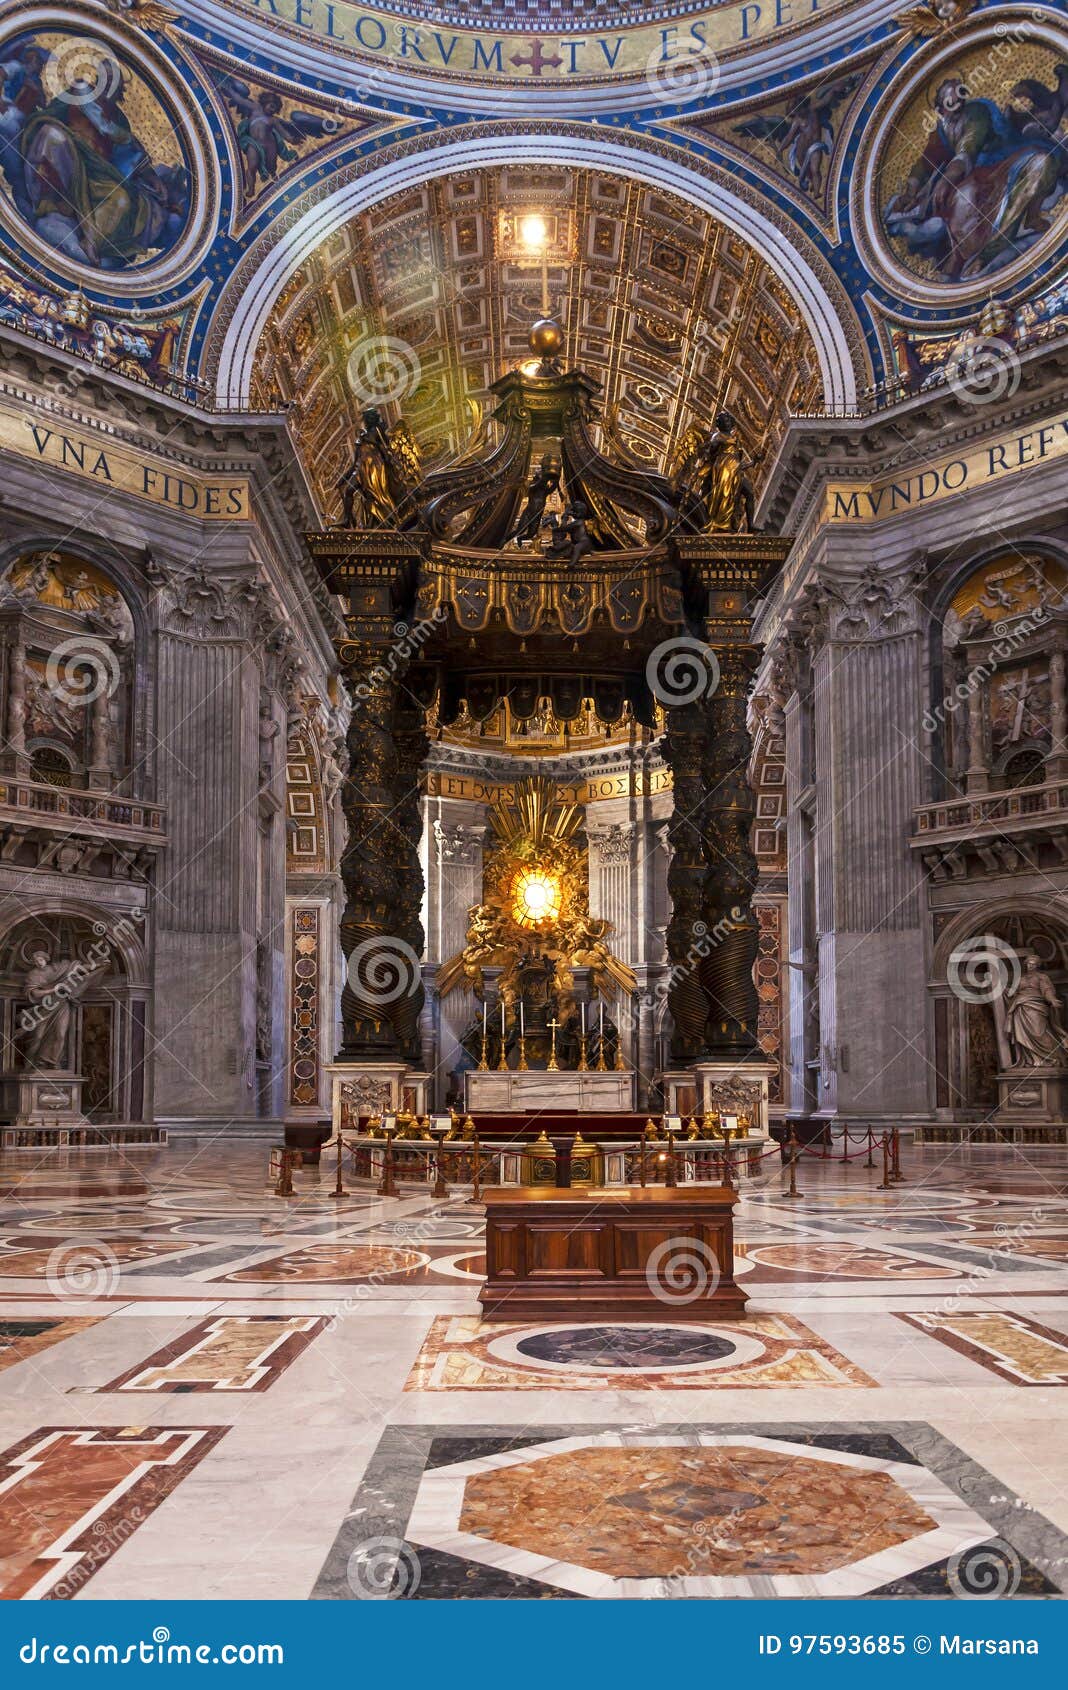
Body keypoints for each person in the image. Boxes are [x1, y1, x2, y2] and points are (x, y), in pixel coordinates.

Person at [1005, 952, 1068, 1065]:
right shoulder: (1021, 978)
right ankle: (1032, 1060)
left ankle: (1053, 1056)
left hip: (1036, 1006)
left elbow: (1047, 990)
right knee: (1023, 1034)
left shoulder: (1042, 977)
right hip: (1021, 1007)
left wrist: (1052, 1000)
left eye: (1033, 964)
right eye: (1028, 963)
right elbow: (1012, 992)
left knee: (1038, 1033)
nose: (1030, 966)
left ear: (1037, 965)